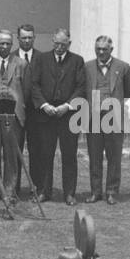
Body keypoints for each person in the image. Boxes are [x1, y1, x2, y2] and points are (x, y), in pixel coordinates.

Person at [28, 28, 86, 206]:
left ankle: (69, 193)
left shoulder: (77, 61)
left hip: (68, 115)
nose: (60, 47)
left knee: (69, 155)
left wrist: (67, 106)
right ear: (52, 41)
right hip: (46, 115)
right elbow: (34, 85)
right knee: (45, 154)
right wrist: (44, 105)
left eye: (64, 44)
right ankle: (45, 191)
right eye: (57, 43)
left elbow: (81, 87)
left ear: (69, 43)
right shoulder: (41, 59)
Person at [84, 35, 130, 205]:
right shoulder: (87, 67)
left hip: (114, 119)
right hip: (94, 119)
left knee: (114, 157)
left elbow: (129, 90)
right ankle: (95, 192)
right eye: (98, 48)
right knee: (94, 156)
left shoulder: (123, 67)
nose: (101, 52)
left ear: (111, 50)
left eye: (104, 49)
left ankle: (112, 191)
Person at [0, 30, 27, 201]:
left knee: (11, 154)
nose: (5, 46)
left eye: (8, 43)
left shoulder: (21, 64)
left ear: (12, 45)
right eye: (2, 43)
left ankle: (9, 191)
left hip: (12, 114)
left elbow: (25, 91)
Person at [15, 24, 41, 198]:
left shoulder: (42, 58)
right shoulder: (10, 58)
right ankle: (14, 189)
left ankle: (36, 188)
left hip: (36, 114)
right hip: (17, 113)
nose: (26, 40)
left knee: (36, 152)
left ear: (34, 38)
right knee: (15, 151)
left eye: (29, 37)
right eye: (23, 37)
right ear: (18, 39)